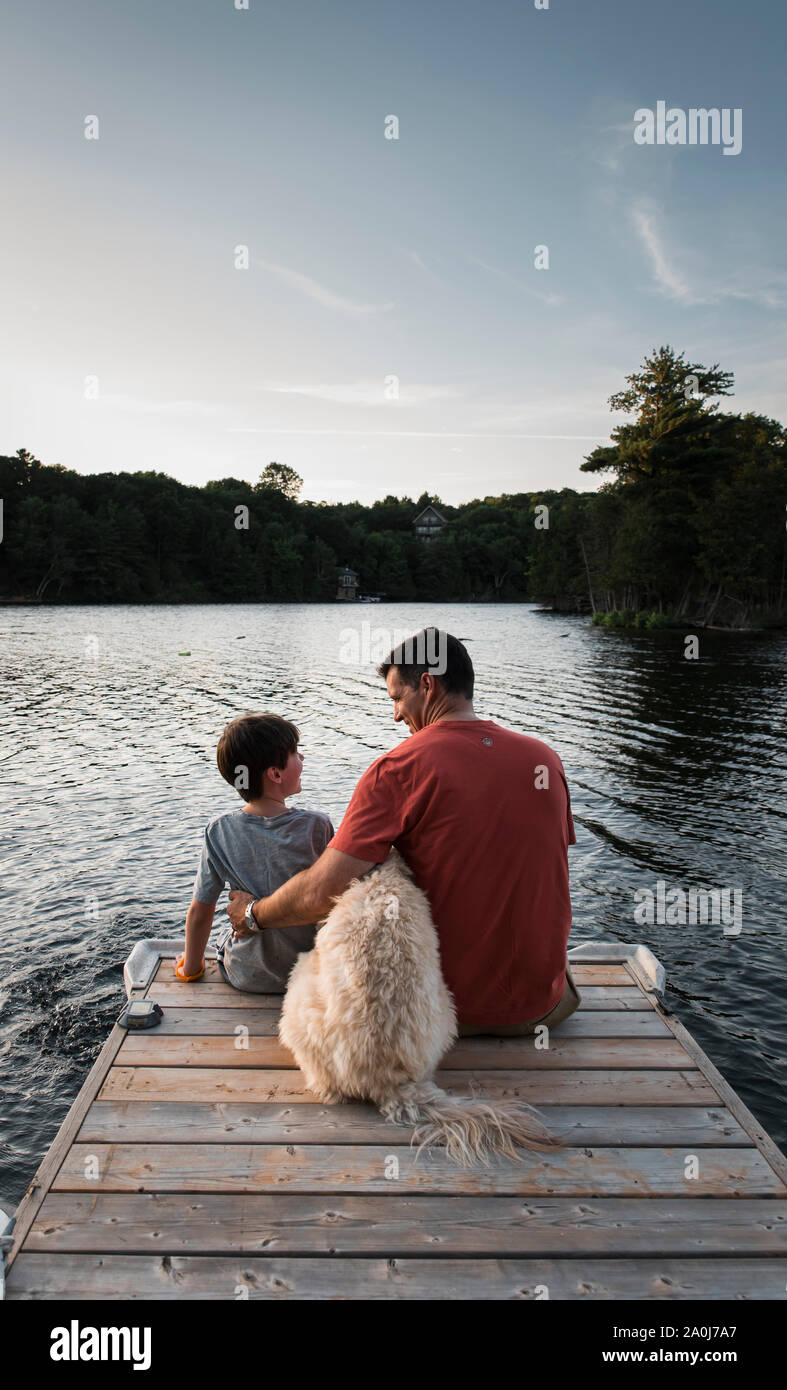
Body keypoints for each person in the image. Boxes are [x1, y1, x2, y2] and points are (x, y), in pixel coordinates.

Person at [227, 630, 580, 1034]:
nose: (395, 715)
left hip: (439, 1016)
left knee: (371, 878)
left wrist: (253, 915)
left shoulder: (398, 769)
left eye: (397, 697)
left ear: (427, 685)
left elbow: (321, 892)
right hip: (542, 1006)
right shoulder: (544, 760)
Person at [176, 712, 334, 991]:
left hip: (246, 976)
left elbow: (201, 910)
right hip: (307, 975)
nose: (303, 759)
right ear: (275, 774)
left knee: (223, 937)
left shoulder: (219, 831)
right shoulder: (317, 826)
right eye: (296, 753)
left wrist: (191, 967)